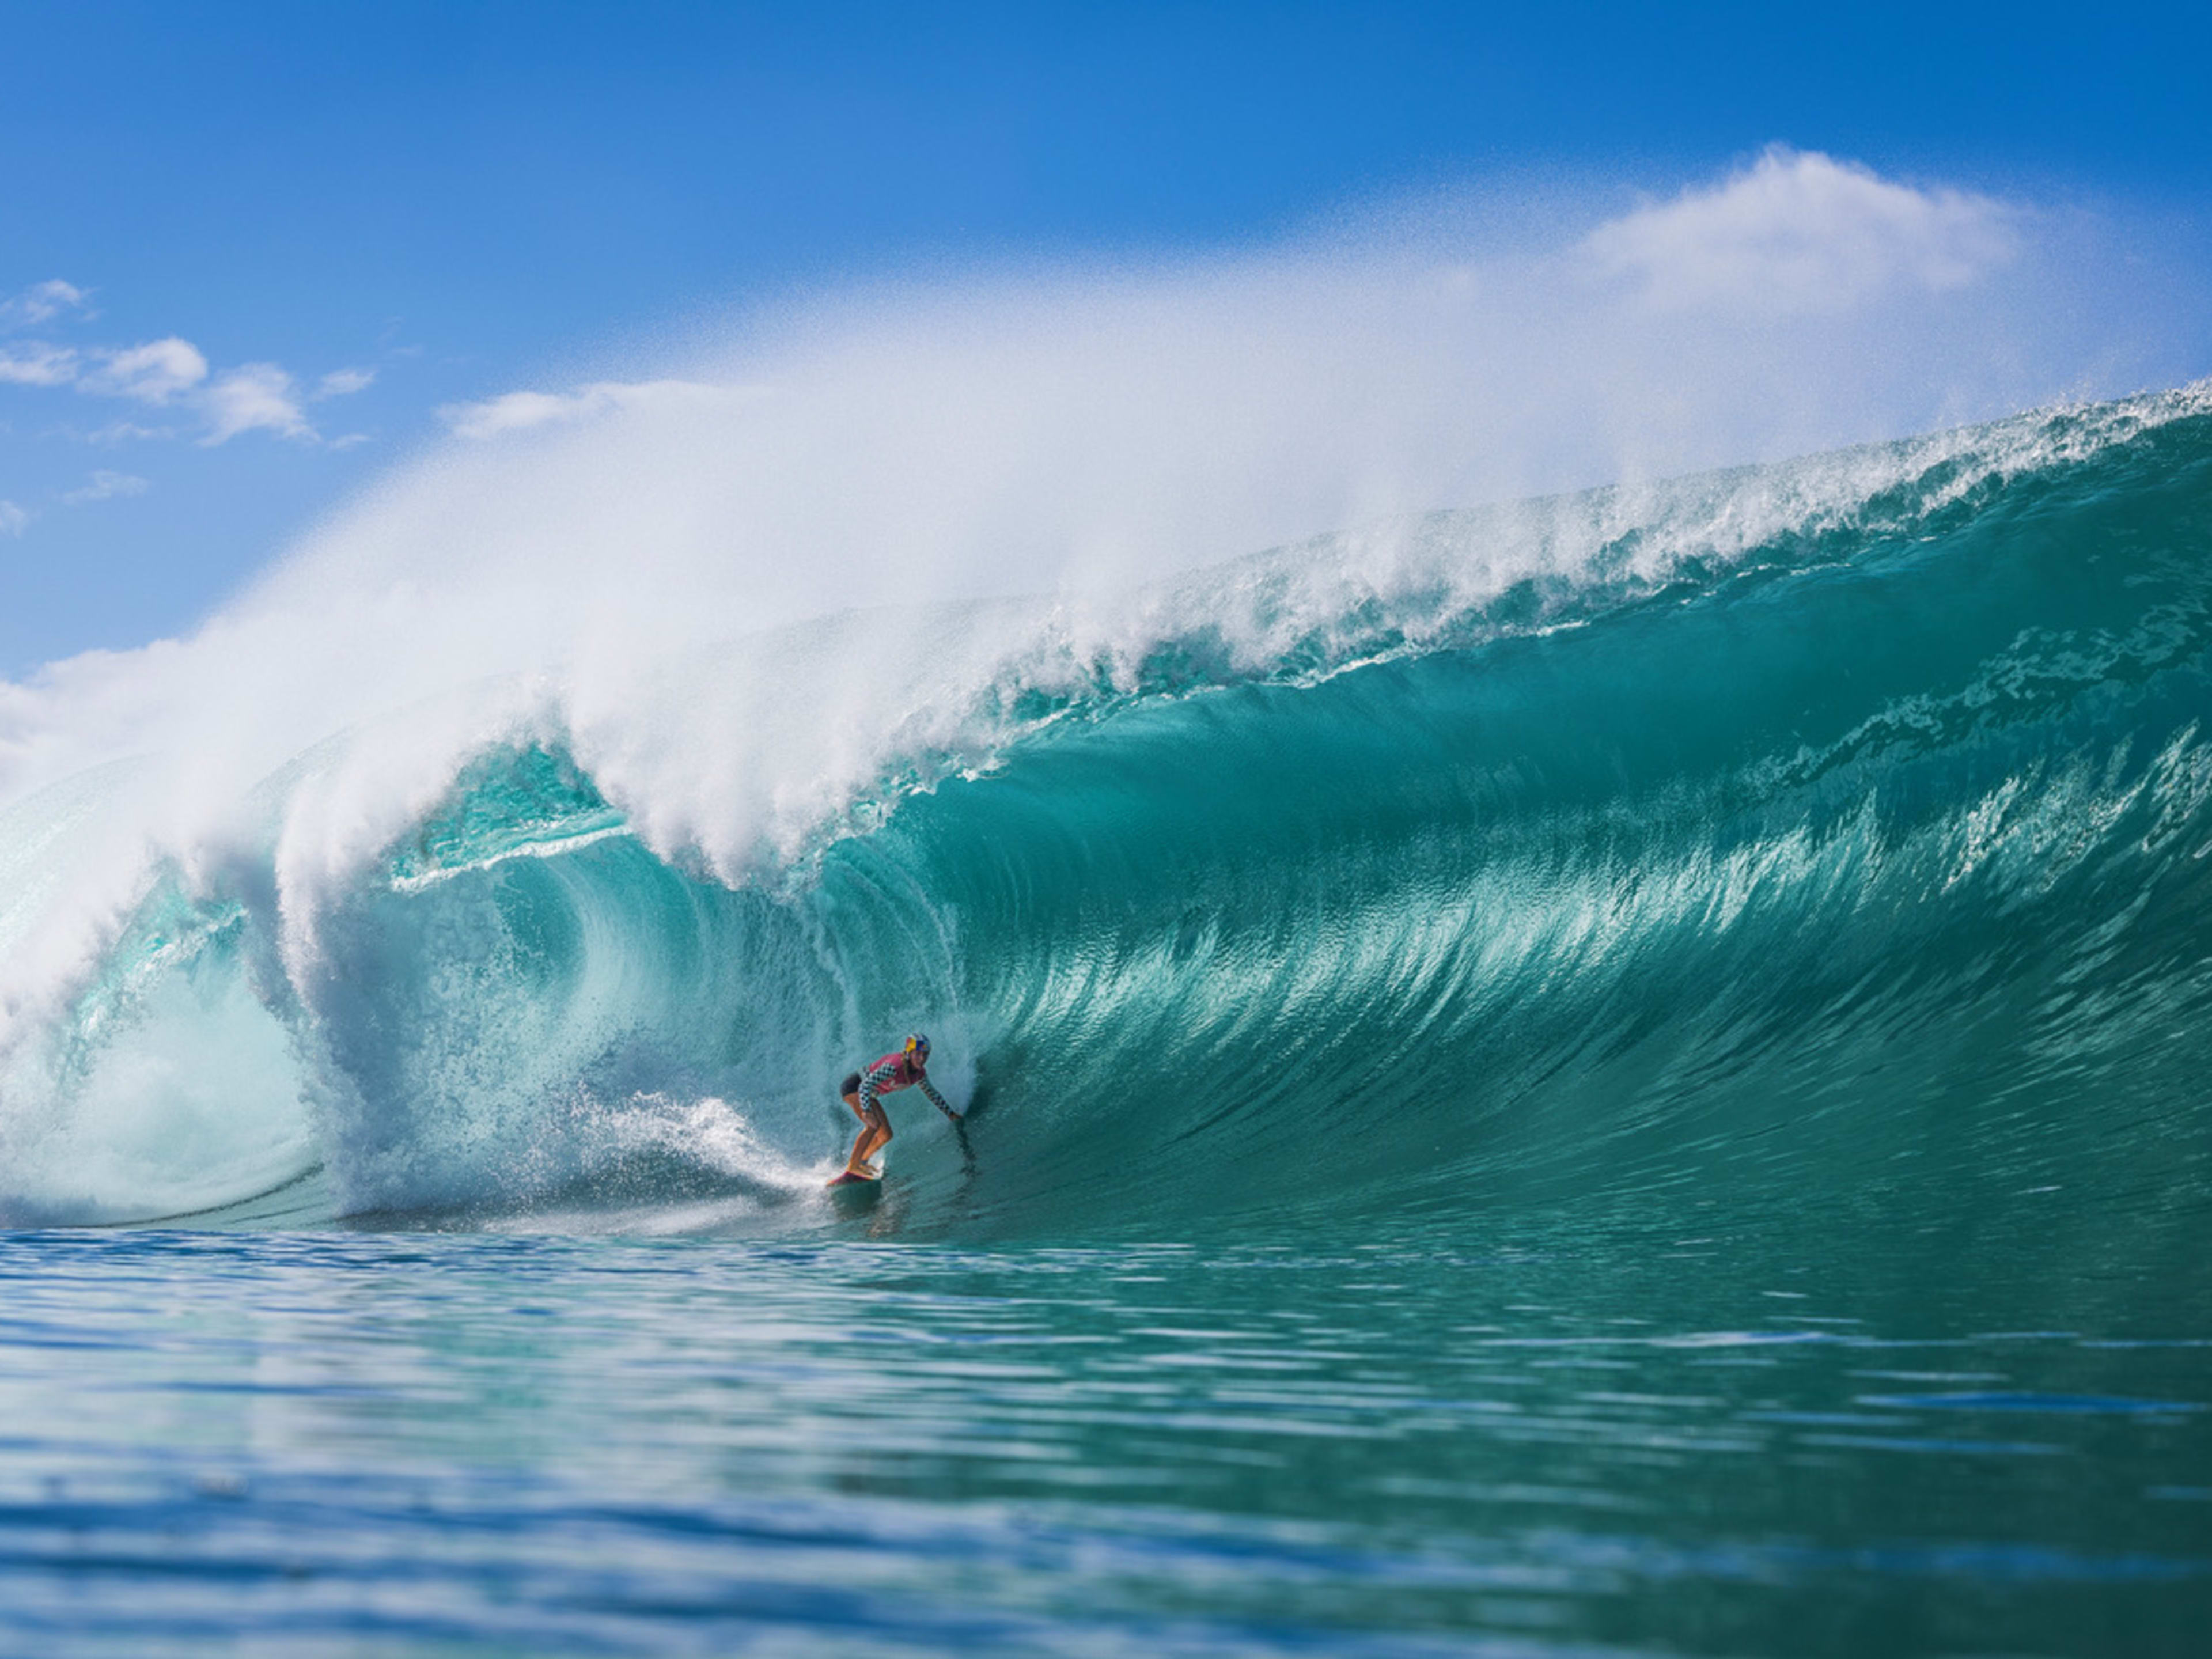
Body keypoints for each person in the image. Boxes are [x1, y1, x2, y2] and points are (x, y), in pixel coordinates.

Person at [837, 1032, 958, 1180]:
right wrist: (867, 1111)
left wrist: (950, 1114)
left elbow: (932, 1093)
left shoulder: (919, 1074)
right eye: (918, 1054)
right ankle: (852, 1167)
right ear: (909, 1052)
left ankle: (862, 1162)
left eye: (925, 1054)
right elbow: (865, 1085)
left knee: (886, 1135)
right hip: (854, 1087)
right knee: (872, 1125)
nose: (922, 1059)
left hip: (869, 1094)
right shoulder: (894, 1067)